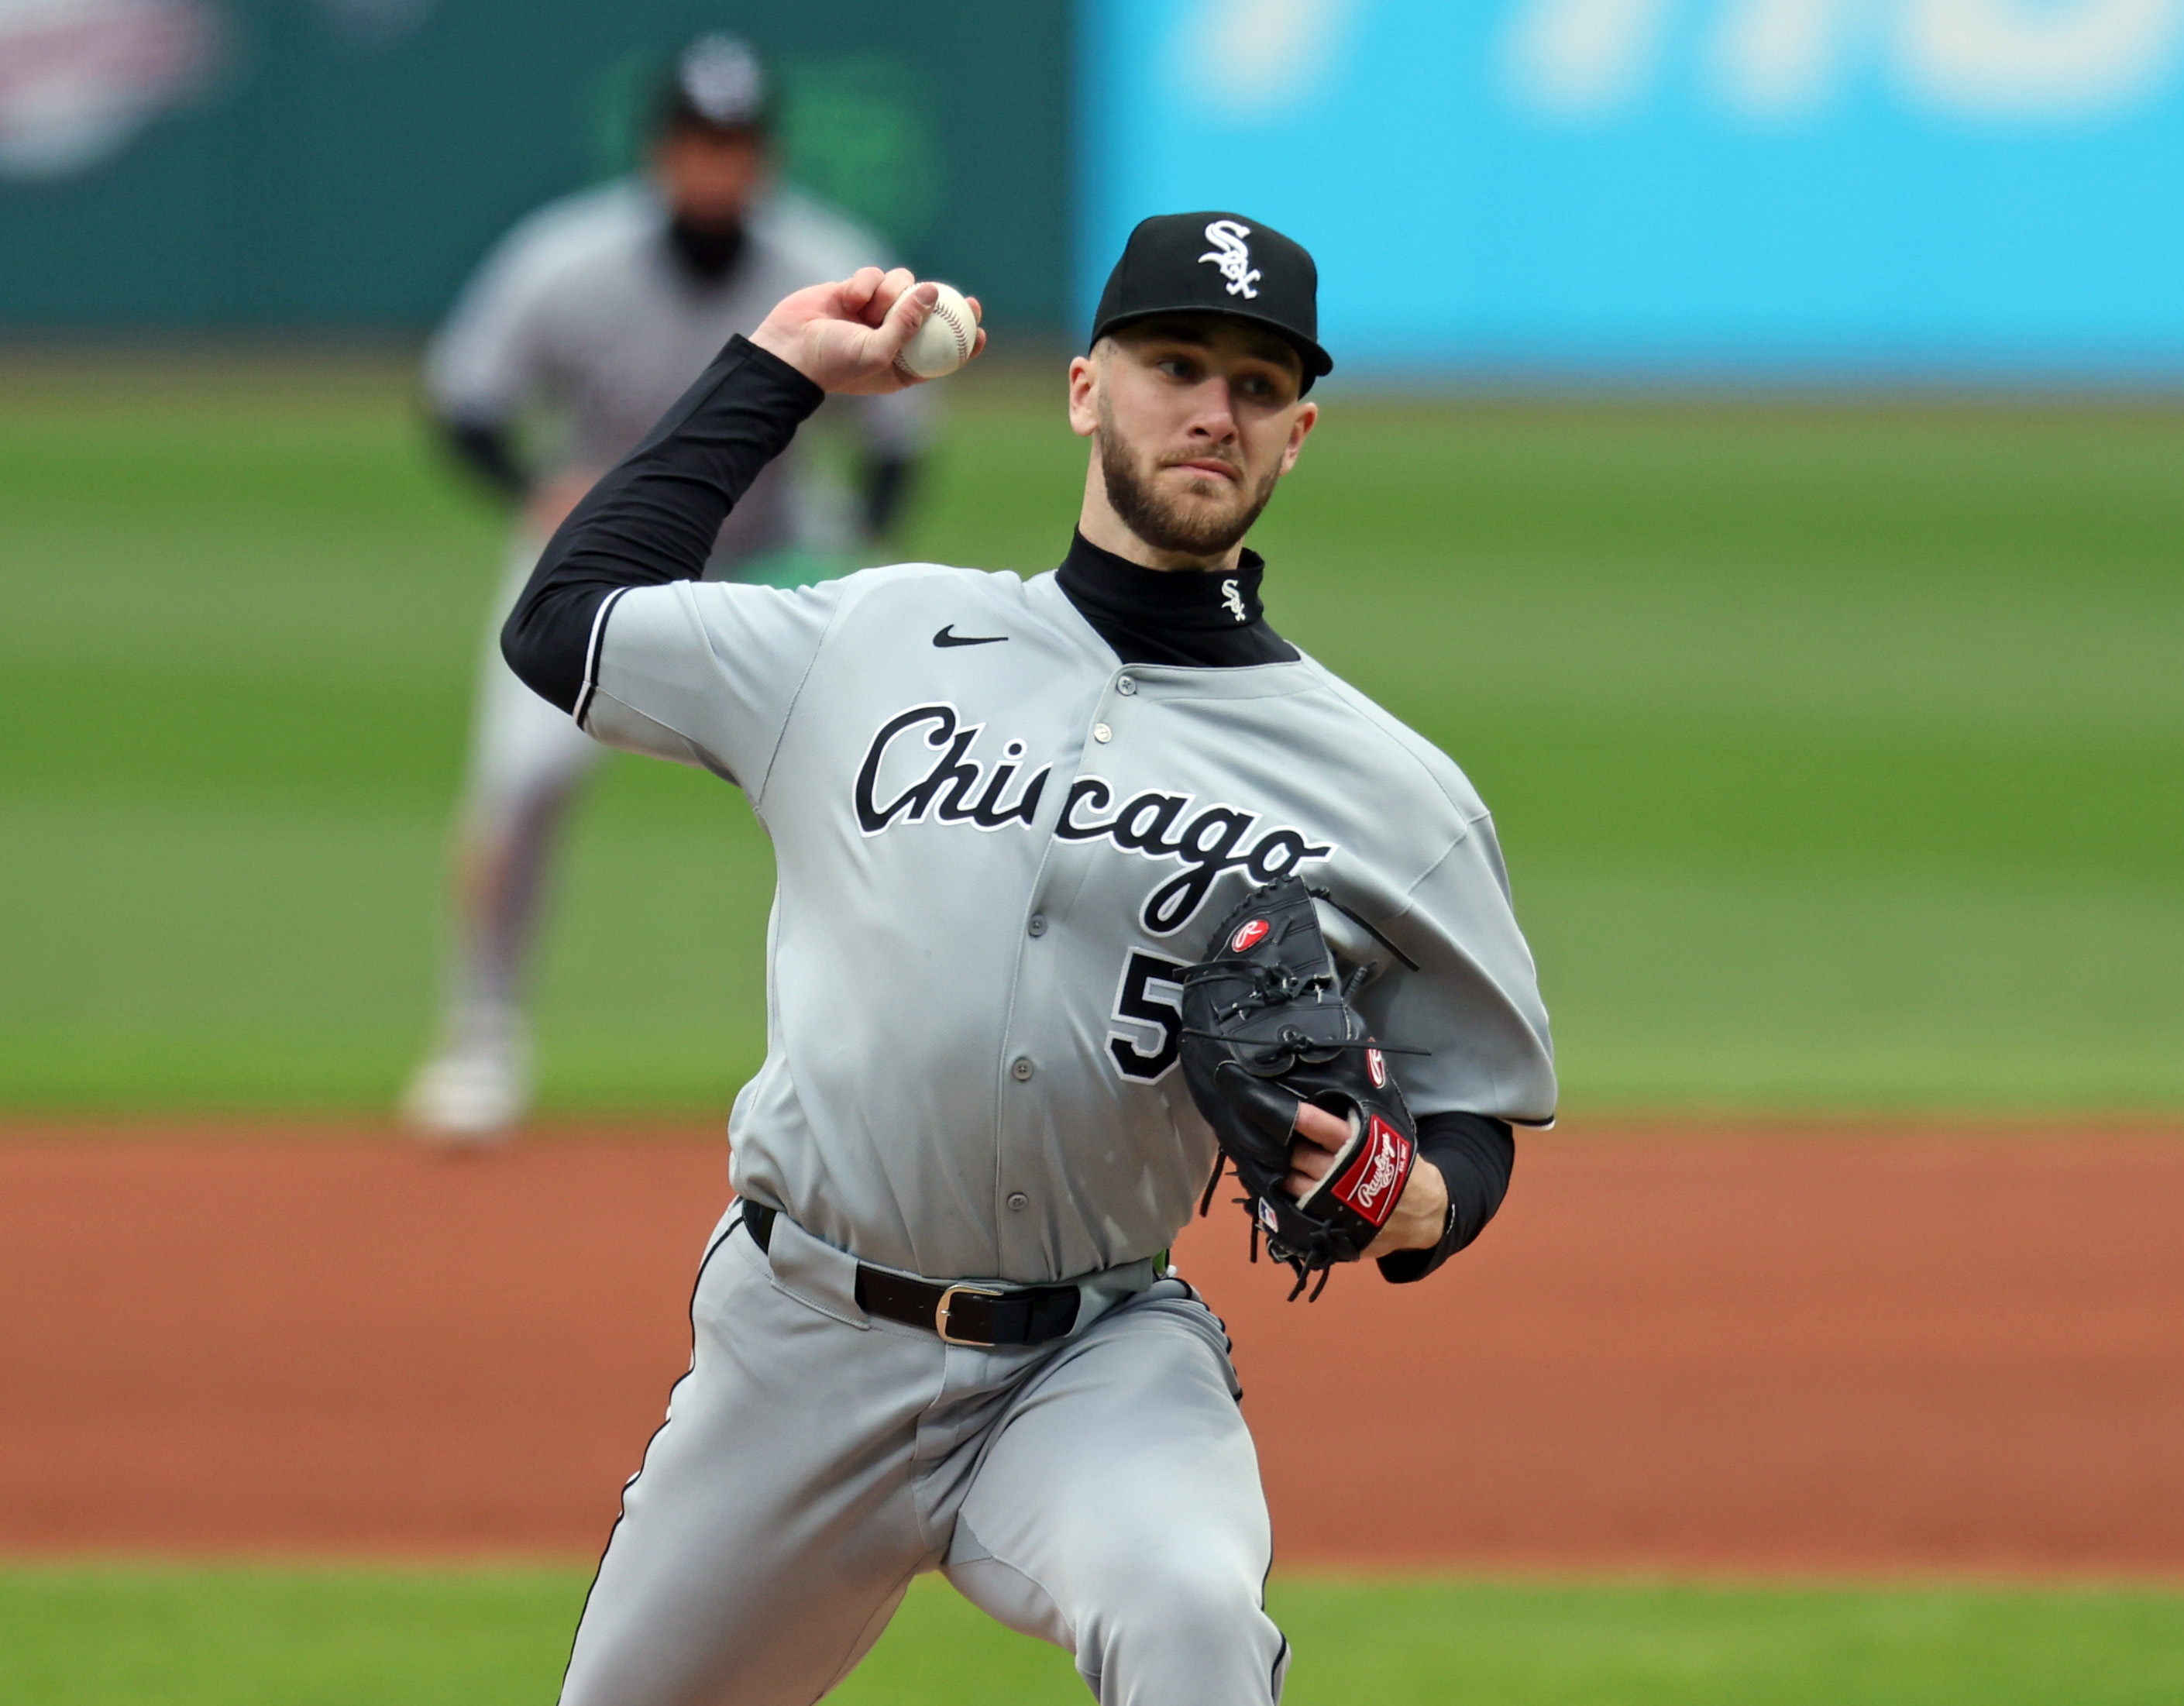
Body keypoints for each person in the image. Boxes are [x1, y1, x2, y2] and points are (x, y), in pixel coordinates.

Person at [500, 215, 1556, 1704]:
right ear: (1084, 389)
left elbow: (1475, 1108)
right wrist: (777, 368)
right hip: (798, 1346)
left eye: (1257, 386)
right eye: (1175, 363)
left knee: (1188, 1609)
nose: (1213, 409)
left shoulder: (1390, 792)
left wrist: (1412, 1194)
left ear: (1297, 435)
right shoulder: (870, 639)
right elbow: (565, 624)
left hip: (1093, 1359)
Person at [403, 33, 930, 1137]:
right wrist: (534, 491)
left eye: (735, 144)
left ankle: (890, 1063)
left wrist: (849, 550)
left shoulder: (829, 260)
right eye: (697, 142)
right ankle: (481, 1038)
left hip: (777, 568)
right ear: (660, 151)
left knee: (879, 810)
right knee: (520, 787)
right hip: (604, 569)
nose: (715, 166)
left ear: (766, 155)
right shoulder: (567, 258)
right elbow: (464, 400)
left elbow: (897, 450)